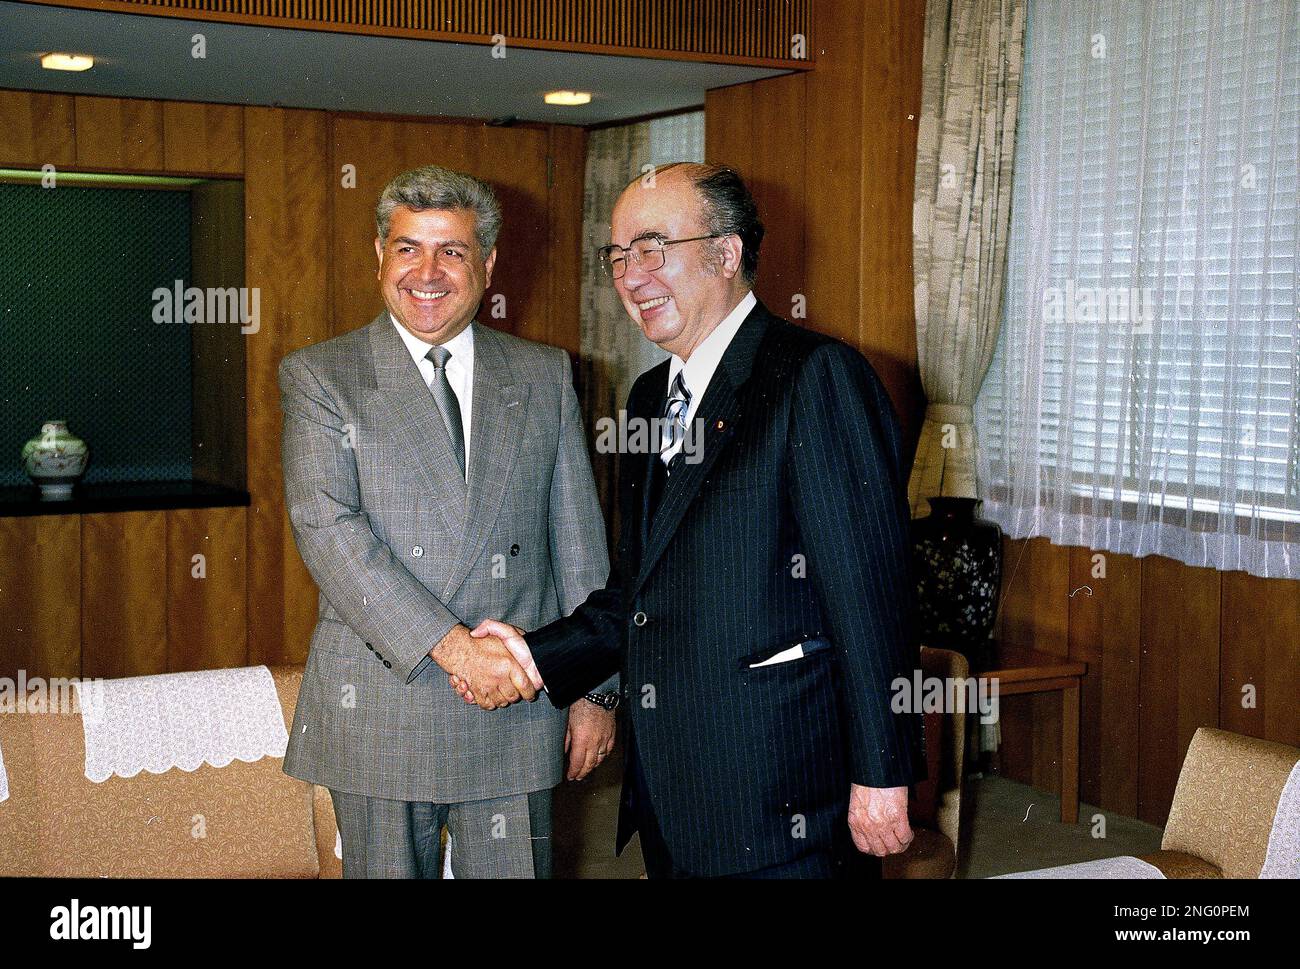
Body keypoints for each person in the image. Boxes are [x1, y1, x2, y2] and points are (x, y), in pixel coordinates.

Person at [460, 163, 926, 879]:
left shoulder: (815, 377)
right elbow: (637, 596)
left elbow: (872, 597)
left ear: (727, 252)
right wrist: (529, 655)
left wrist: (883, 770)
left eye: (652, 249)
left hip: (786, 794)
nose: (629, 276)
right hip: (675, 791)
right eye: (616, 257)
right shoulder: (651, 396)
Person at [278, 165, 617, 879]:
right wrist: (457, 650)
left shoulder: (545, 374)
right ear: (379, 255)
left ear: (487, 265)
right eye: (408, 248)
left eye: (452, 251)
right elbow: (329, 533)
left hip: (518, 707)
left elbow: (578, 539)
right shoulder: (321, 376)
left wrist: (594, 689)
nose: (427, 272)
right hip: (381, 706)